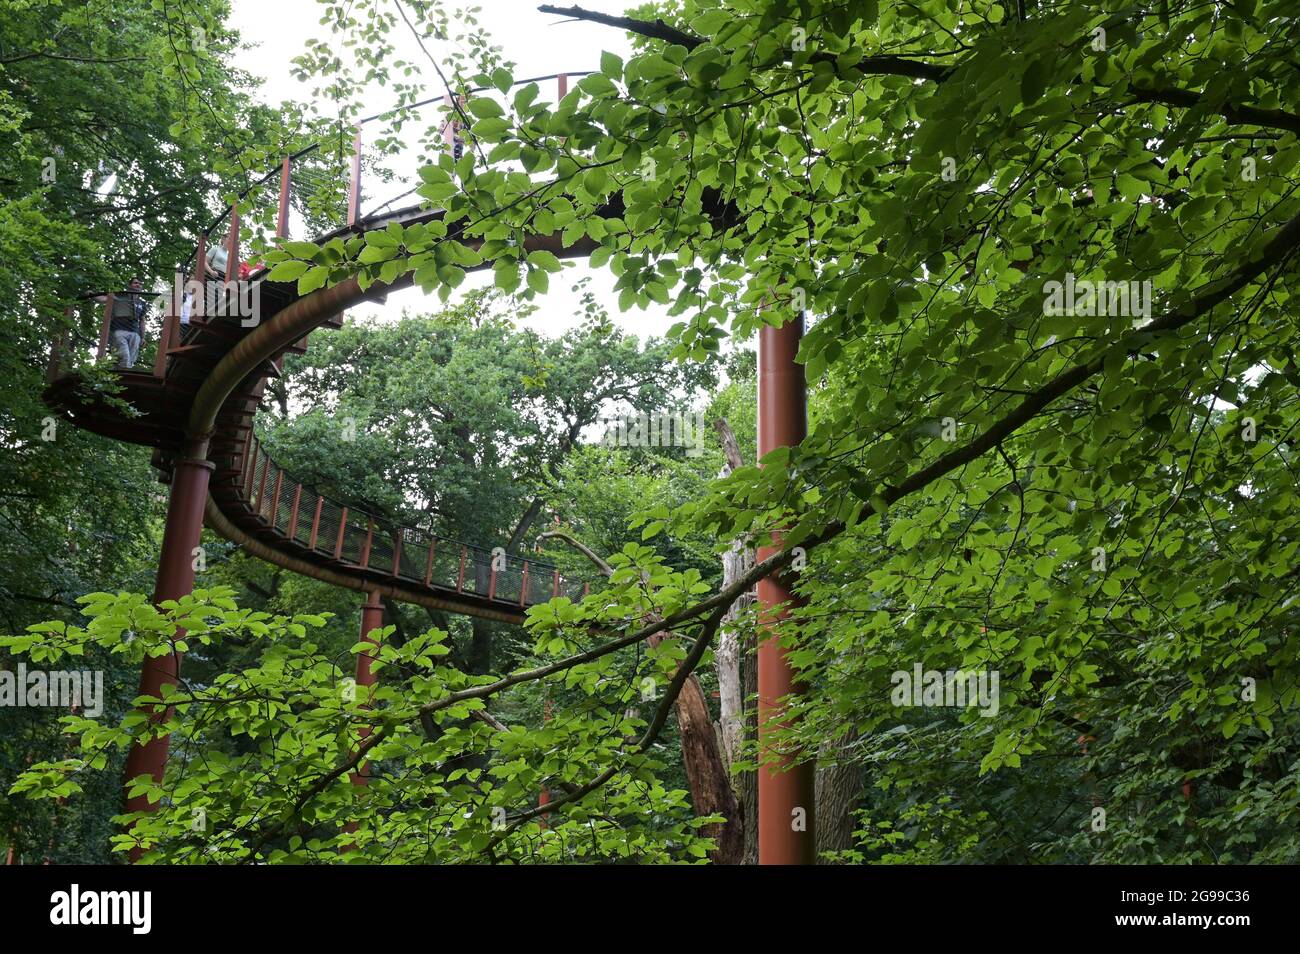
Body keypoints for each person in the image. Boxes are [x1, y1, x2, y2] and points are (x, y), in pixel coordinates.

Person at [98, 277, 149, 369]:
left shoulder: (142, 303)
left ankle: (117, 376)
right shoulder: (121, 296)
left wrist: (143, 337)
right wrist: (91, 294)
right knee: (124, 358)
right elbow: (104, 299)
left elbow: (142, 320)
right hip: (119, 331)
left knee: (130, 360)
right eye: (135, 283)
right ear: (130, 285)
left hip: (135, 333)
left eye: (140, 284)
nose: (138, 285)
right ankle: (121, 378)